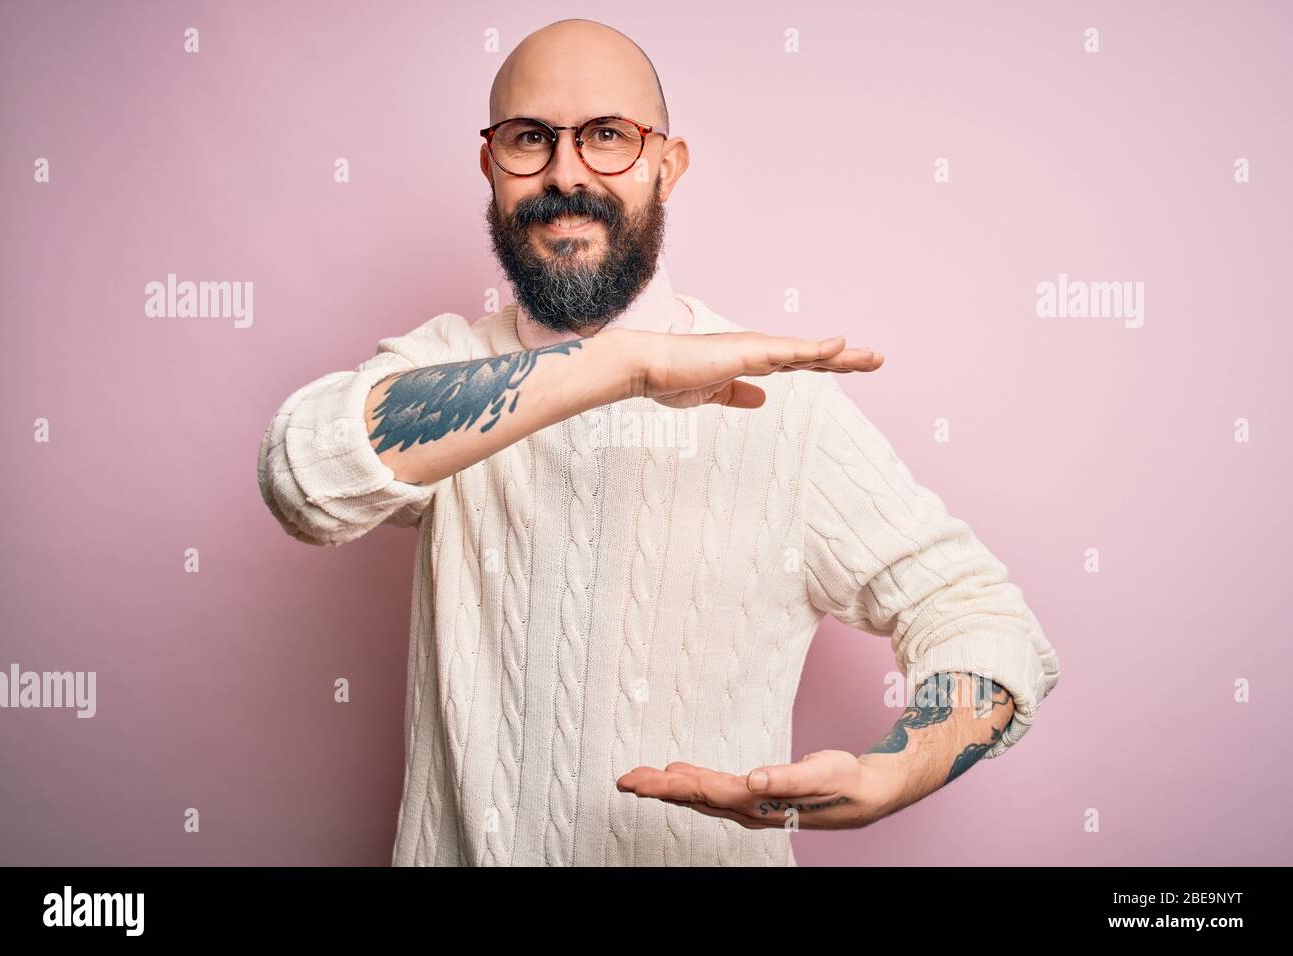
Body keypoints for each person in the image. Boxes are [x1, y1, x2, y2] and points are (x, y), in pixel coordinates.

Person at [256, 18, 1060, 866]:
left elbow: (984, 617)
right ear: (491, 166)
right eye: (530, 139)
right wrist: (624, 365)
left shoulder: (785, 410)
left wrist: (896, 773)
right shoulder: (448, 364)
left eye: (608, 136)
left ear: (665, 166)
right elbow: (303, 476)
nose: (565, 173)